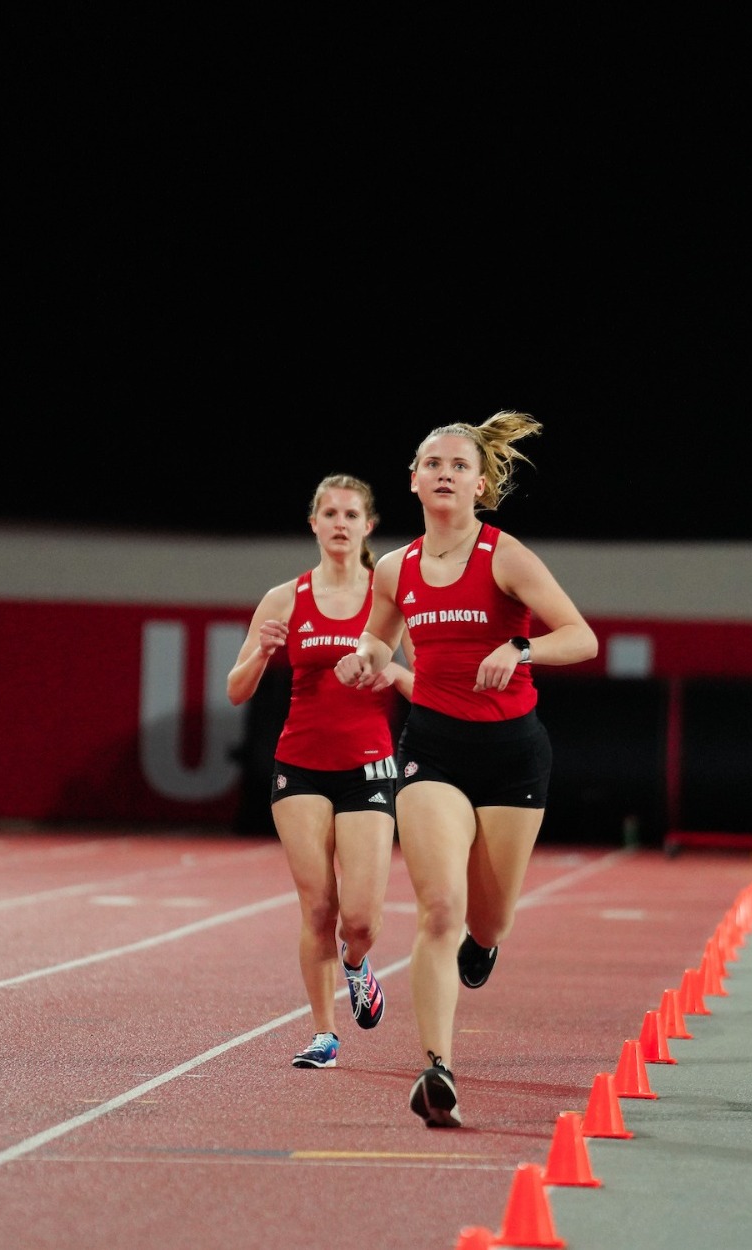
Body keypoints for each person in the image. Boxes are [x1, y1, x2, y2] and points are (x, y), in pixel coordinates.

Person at [334, 410, 597, 1128]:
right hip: (433, 749)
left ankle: (486, 943)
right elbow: (379, 644)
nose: (444, 473)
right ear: (414, 480)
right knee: (438, 907)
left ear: (481, 484)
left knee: (488, 916)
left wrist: (521, 650)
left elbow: (581, 636)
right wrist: (365, 663)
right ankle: (437, 1067)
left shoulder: (504, 555)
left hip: (514, 753)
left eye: (457, 465)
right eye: (432, 463)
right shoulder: (393, 568)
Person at [226, 474, 413, 1070]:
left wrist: (396, 677)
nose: (339, 523)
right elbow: (236, 690)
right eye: (328, 513)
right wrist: (262, 652)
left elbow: (423, 682)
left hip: (369, 767)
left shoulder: (390, 602)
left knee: (361, 919)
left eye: (350, 514)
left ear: (368, 525)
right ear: (313, 523)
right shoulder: (284, 599)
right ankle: (323, 1034)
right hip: (299, 767)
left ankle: (356, 965)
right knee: (318, 909)